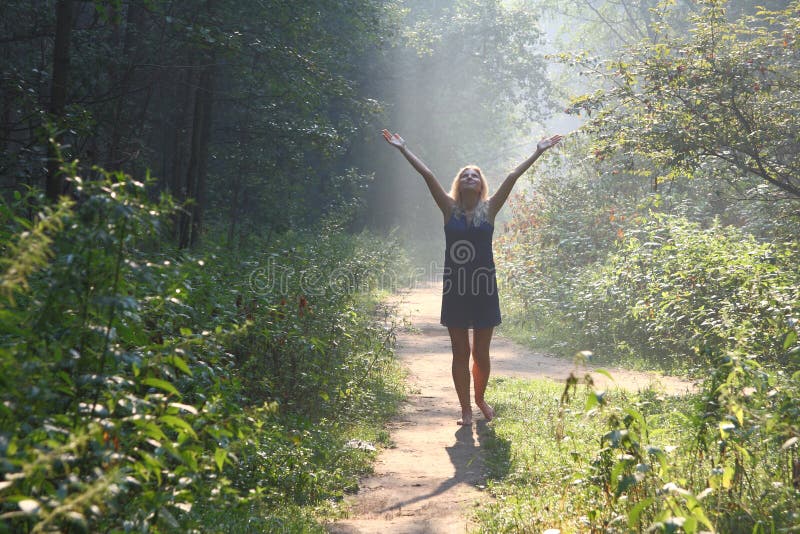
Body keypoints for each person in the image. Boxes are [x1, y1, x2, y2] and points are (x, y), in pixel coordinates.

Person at [382, 129, 563, 425]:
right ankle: (465, 410)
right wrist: (403, 149)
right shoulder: (448, 209)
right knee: (460, 353)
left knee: (481, 353)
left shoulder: (489, 209)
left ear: (480, 185)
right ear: (459, 183)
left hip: (484, 288)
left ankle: (480, 399)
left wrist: (538, 151)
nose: (469, 177)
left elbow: (512, 177)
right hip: (455, 288)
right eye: (465, 175)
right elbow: (427, 175)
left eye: (474, 175)